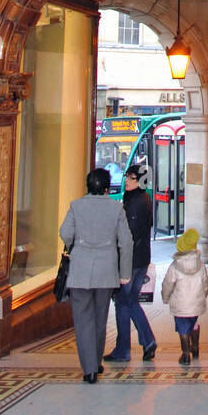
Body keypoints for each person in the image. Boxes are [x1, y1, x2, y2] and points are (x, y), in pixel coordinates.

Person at [59, 167, 133, 384]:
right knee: (100, 318)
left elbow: (65, 233)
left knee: (83, 321)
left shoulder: (76, 206)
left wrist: (77, 243)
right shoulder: (116, 209)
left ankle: (89, 368)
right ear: (107, 187)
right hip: (106, 271)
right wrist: (125, 273)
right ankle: (96, 361)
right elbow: (126, 242)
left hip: (80, 270)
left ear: (87, 185)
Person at [104, 163, 157, 363]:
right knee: (130, 301)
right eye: (127, 176)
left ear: (141, 181)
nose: (127, 180)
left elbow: (129, 234)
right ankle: (147, 340)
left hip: (131, 261)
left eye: (132, 178)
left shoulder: (136, 202)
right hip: (140, 258)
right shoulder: (141, 198)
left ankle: (123, 349)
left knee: (123, 303)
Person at [161, 228, 208, 366]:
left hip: (180, 305)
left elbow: (167, 284)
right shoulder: (201, 265)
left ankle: (185, 353)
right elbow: (205, 284)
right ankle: (195, 347)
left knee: (182, 327)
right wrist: (202, 296)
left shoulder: (174, 267)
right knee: (193, 323)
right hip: (195, 304)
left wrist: (165, 298)